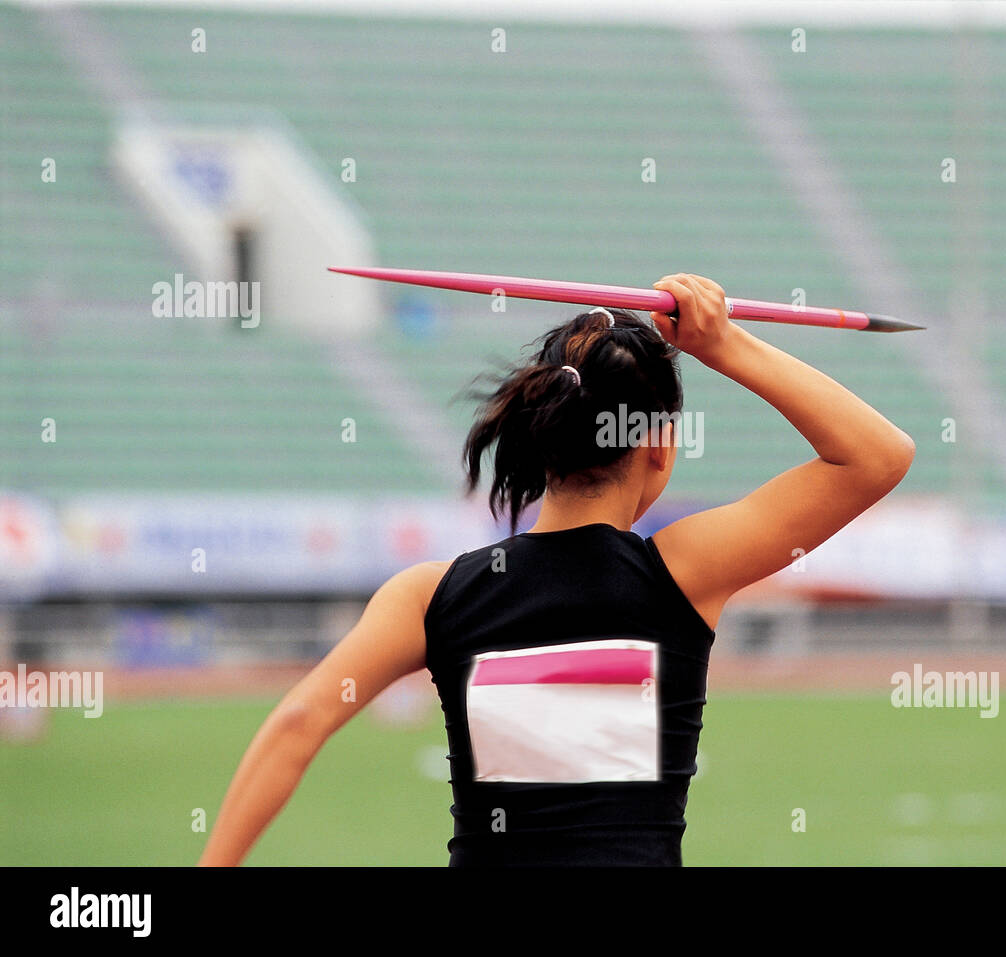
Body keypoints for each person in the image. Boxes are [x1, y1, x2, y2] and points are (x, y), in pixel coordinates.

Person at [197, 273, 915, 866]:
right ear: (659, 448)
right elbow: (877, 455)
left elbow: (297, 719)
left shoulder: (429, 596)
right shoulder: (685, 573)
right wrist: (724, 344)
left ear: (542, 440)